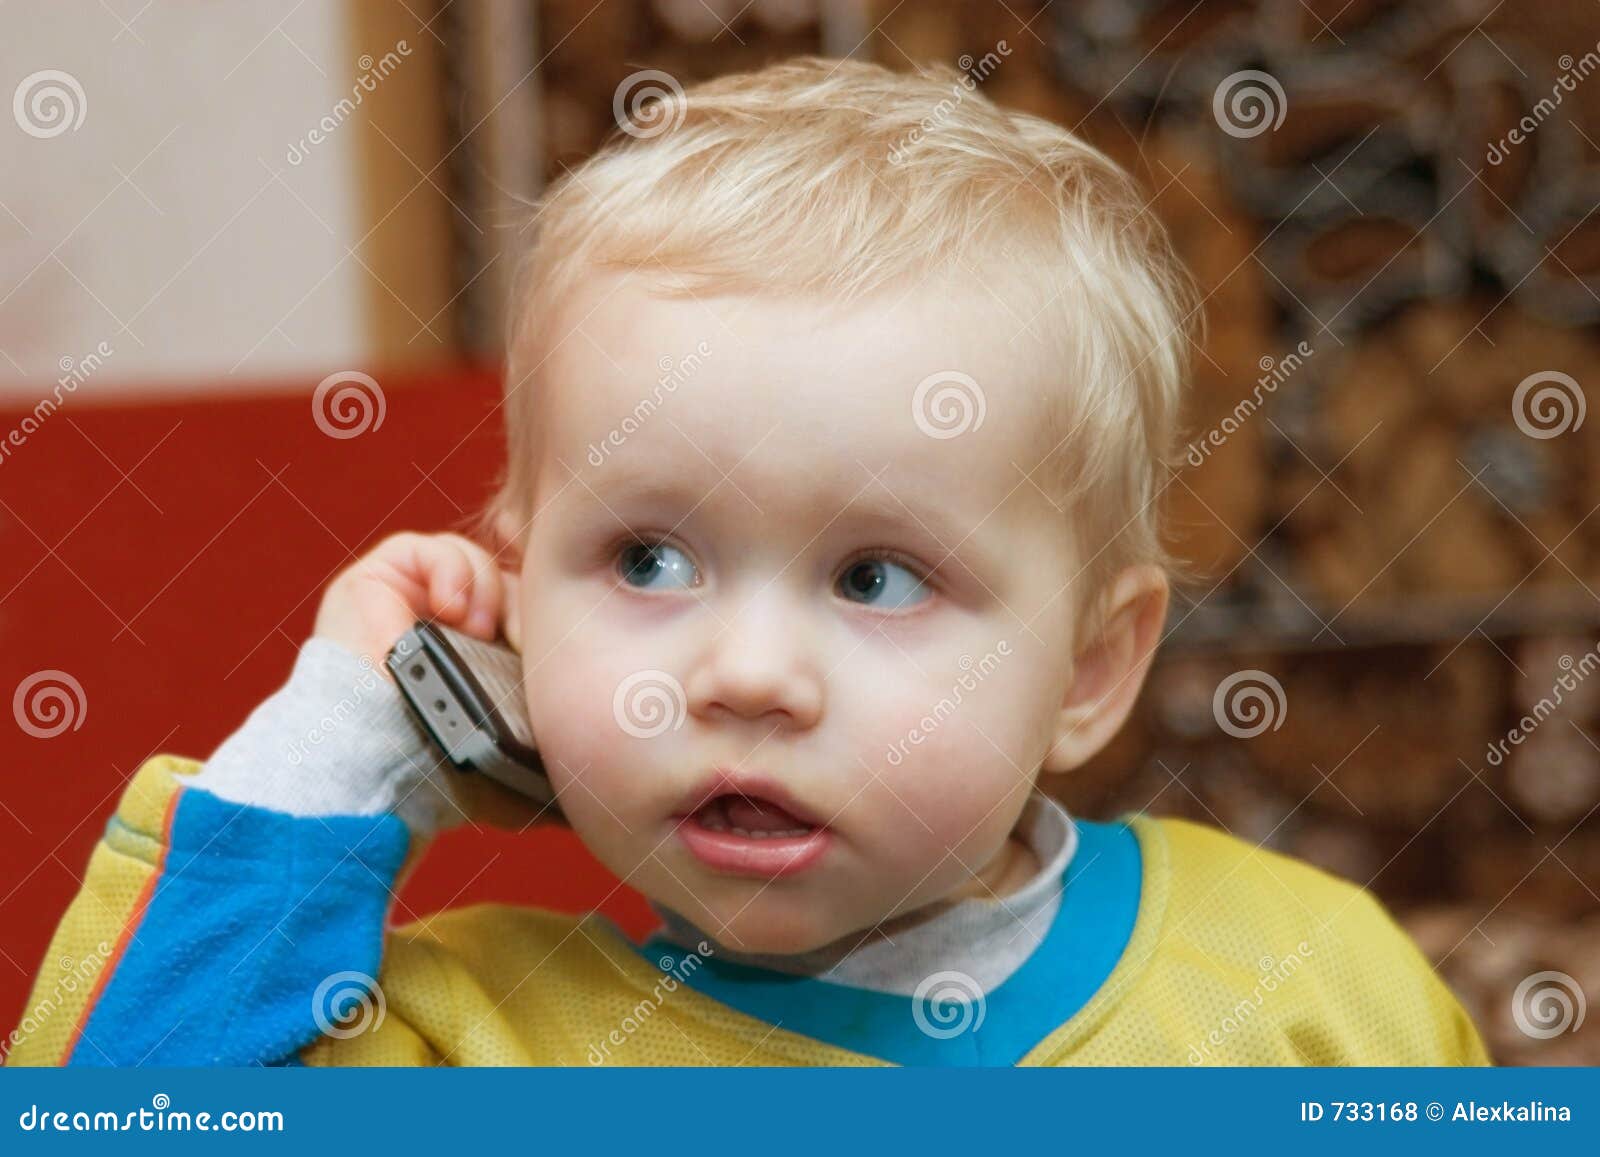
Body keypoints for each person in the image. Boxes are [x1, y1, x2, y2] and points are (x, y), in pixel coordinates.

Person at [7, 56, 1489, 1067]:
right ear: (512, 598)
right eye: (647, 559)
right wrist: (351, 739)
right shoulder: (452, 1032)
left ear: (1091, 667)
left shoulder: (1316, 991)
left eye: (877, 579)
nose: (746, 674)